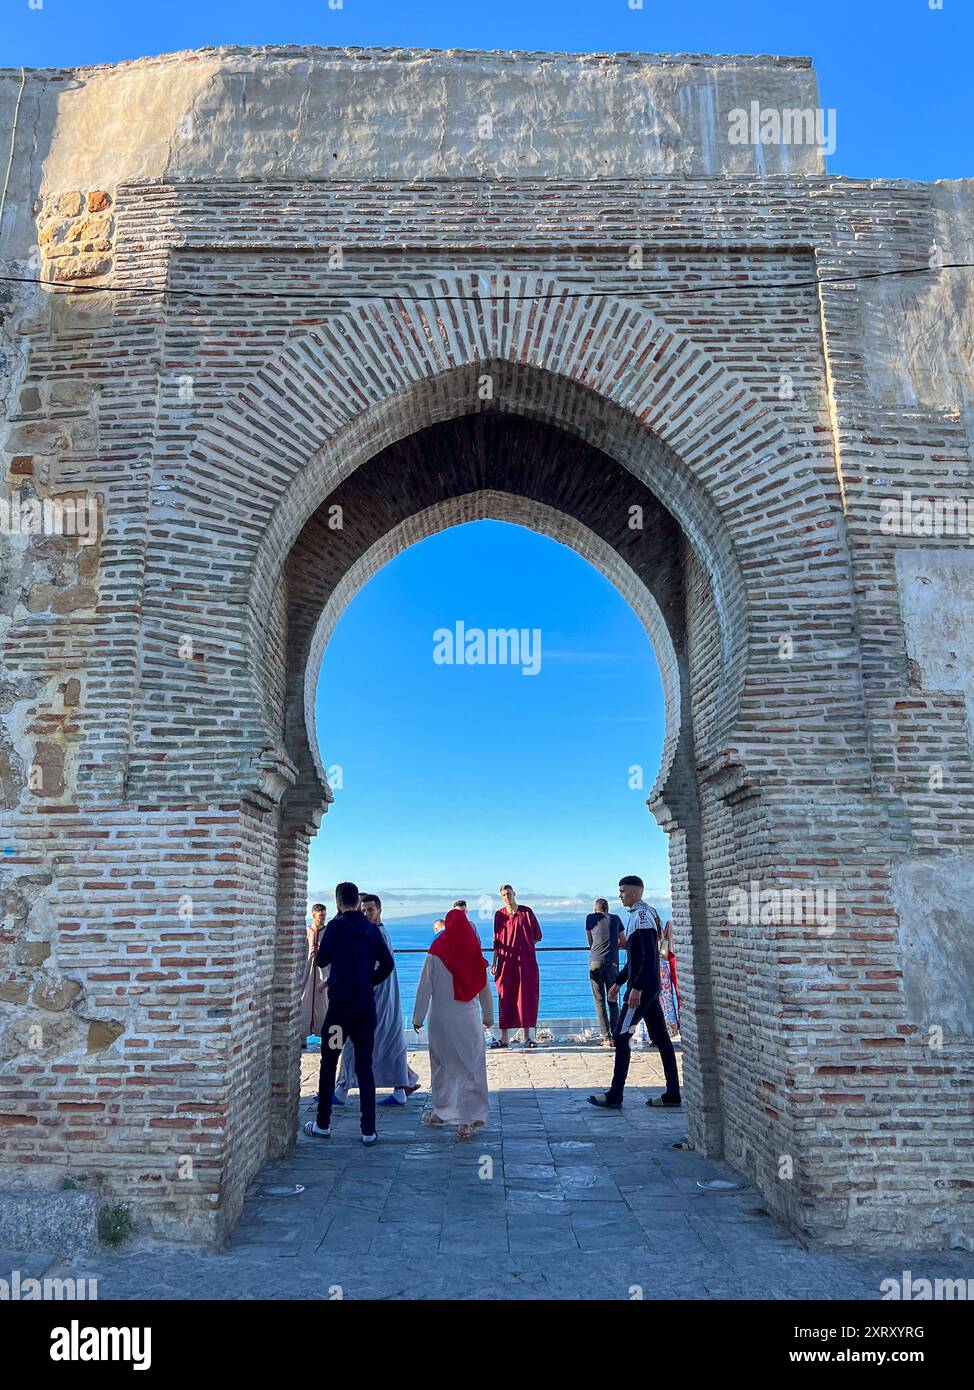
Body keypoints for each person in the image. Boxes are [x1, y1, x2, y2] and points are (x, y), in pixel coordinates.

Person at [303, 882, 394, 1146]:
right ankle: (368, 1130)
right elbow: (387, 963)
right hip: (365, 1009)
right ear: (357, 901)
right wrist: (369, 980)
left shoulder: (336, 927)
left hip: (339, 1011)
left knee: (329, 1061)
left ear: (339, 902)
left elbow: (320, 961)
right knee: (365, 1067)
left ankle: (323, 1124)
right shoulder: (370, 928)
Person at [588, 876, 681, 1110]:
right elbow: (634, 958)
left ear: (636, 891)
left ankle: (615, 1094)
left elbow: (649, 957)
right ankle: (672, 1092)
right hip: (649, 985)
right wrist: (618, 982)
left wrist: (636, 987)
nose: (620, 895)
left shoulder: (641, 917)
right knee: (660, 1038)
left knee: (620, 1036)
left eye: (623, 891)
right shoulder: (641, 915)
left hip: (643, 987)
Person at [332, 893, 421, 1108]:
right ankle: (402, 1084)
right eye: (363, 910)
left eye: (370, 910)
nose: (365, 914)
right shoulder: (374, 932)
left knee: (357, 1041)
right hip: (379, 995)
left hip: (374, 996)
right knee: (388, 1041)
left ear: (379, 911)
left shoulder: (376, 934)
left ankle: (343, 1089)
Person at [413, 907, 493, 1138]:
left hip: (441, 1020)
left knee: (442, 1067)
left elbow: (424, 987)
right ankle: (467, 1121)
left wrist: (418, 1017)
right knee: (471, 1067)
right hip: (468, 1019)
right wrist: (488, 1015)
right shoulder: (474, 952)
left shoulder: (436, 950)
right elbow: (484, 987)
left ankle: (442, 1112)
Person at [491, 884, 542, 1048]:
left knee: (527, 997)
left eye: (509, 894)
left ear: (514, 894)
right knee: (505, 997)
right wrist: (494, 963)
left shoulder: (526, 912)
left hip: (526, 963)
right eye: (504, 895)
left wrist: (524, 948)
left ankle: (529, 1037)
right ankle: (504, 1038)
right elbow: (497, 942)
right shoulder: (499, 915)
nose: (507, 897)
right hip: (506, 963)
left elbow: (536, 936)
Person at [586, 897, 626, 1044]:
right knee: (613, 999)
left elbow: (590, 942)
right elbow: (623, 942)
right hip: (612, 963)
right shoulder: (616, 919)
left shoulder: (590, 918)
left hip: (595, 961)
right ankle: (617, 1035)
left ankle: (606, 1036)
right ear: (607, 909)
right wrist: (614, 945)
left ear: (595, 909)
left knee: (599, 1001)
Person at [299, 903, 329, 1046]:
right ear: (313, 916)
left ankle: (326, 1038)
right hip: (307, 973)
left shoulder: (328, 933)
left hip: (324, 975)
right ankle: (301, 1036)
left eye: (324, 915)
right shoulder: (306, 932)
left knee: (324, 1005)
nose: (322, 918)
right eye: (320, 916)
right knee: (304, 1002)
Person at [659, 917, 680, 1038]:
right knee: (671, 997)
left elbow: (664, 950)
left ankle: (666, 1029)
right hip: (667, 966)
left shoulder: (669, 924)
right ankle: (675, 1026)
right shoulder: (664, 926)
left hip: (672, 962)